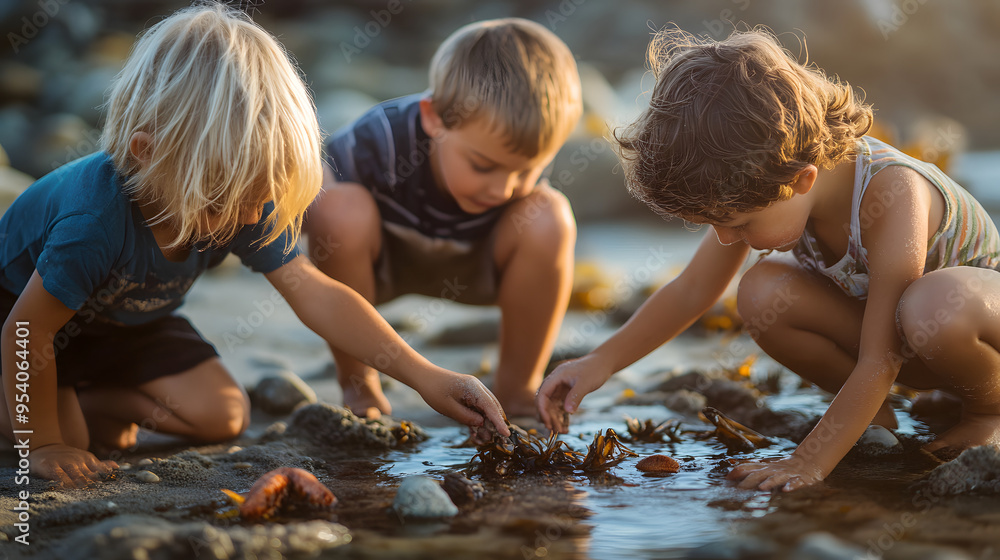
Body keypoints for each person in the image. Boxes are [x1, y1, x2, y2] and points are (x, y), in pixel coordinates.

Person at [0, 4, 509, 489]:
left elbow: (317, 293)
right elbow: (26, 331)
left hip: (128, 322)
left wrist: (425, 375)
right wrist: (42, 444)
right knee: (64, 442)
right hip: (29, 326)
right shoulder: (93, 222)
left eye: (258, 199)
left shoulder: (239, 190)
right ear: (146, 154)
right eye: (225, 203)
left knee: (224, 415)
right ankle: (50, 412)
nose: (247, 218)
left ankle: (81, 400)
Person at [536, 27, 1000, 492]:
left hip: (969, 334)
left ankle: (987, 412)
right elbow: (691, 290)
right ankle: (873, 415)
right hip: (915, 353)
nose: (725, 237)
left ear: (802, 179)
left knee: (932, 304)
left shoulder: (894, 193)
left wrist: (808, 463)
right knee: (761, 291)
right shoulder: (765, 186)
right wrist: (599, 362)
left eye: (737, 223)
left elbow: (882, 358)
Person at [305, 18, 581, 419]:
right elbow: (312, 197)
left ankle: (518, 390)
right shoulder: (379, 140)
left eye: (525, 171)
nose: (502, 189)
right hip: (380, 268)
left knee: (550, 216)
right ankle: (359, 388)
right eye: (483, 166)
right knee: (335, 208)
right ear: (433, 118)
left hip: (477, 265)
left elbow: (531, 211)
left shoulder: (511, 153)